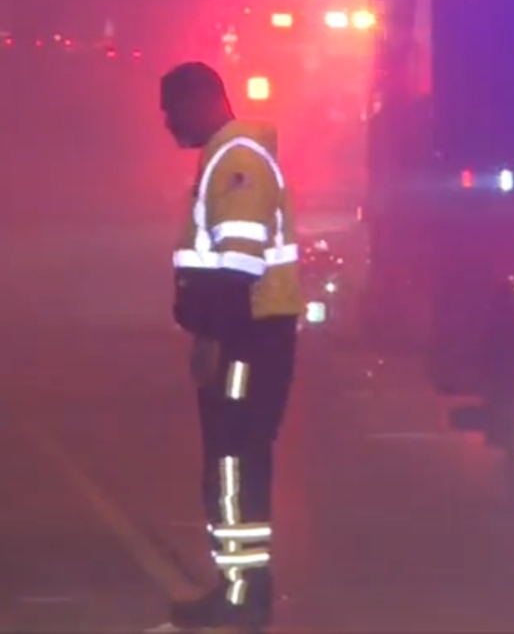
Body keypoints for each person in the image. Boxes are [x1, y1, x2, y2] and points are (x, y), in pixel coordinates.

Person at [160, 62, 302, 633]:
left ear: (199, 101)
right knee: (237, 461)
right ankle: (241, 587)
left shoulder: (236, 162)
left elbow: (238, 267)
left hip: (245, 337)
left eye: (171, 110)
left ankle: (242, 595)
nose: (167, 124)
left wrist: (212, 339)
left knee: (233, 461)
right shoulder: (232, 156)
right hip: (250, 334)